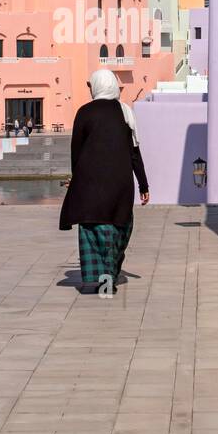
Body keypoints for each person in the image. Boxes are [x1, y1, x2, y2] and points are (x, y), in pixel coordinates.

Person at [58, 68, 149, 294]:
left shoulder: (84, 113)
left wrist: (76, 180)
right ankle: (108, 280)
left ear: (96, 86)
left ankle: (101, 279)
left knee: (92, 230)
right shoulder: (125, 112)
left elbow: (76, 152)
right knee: (117, 230)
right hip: (120, 184)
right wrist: (143, 184)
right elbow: (134, 152)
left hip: (89, 185)